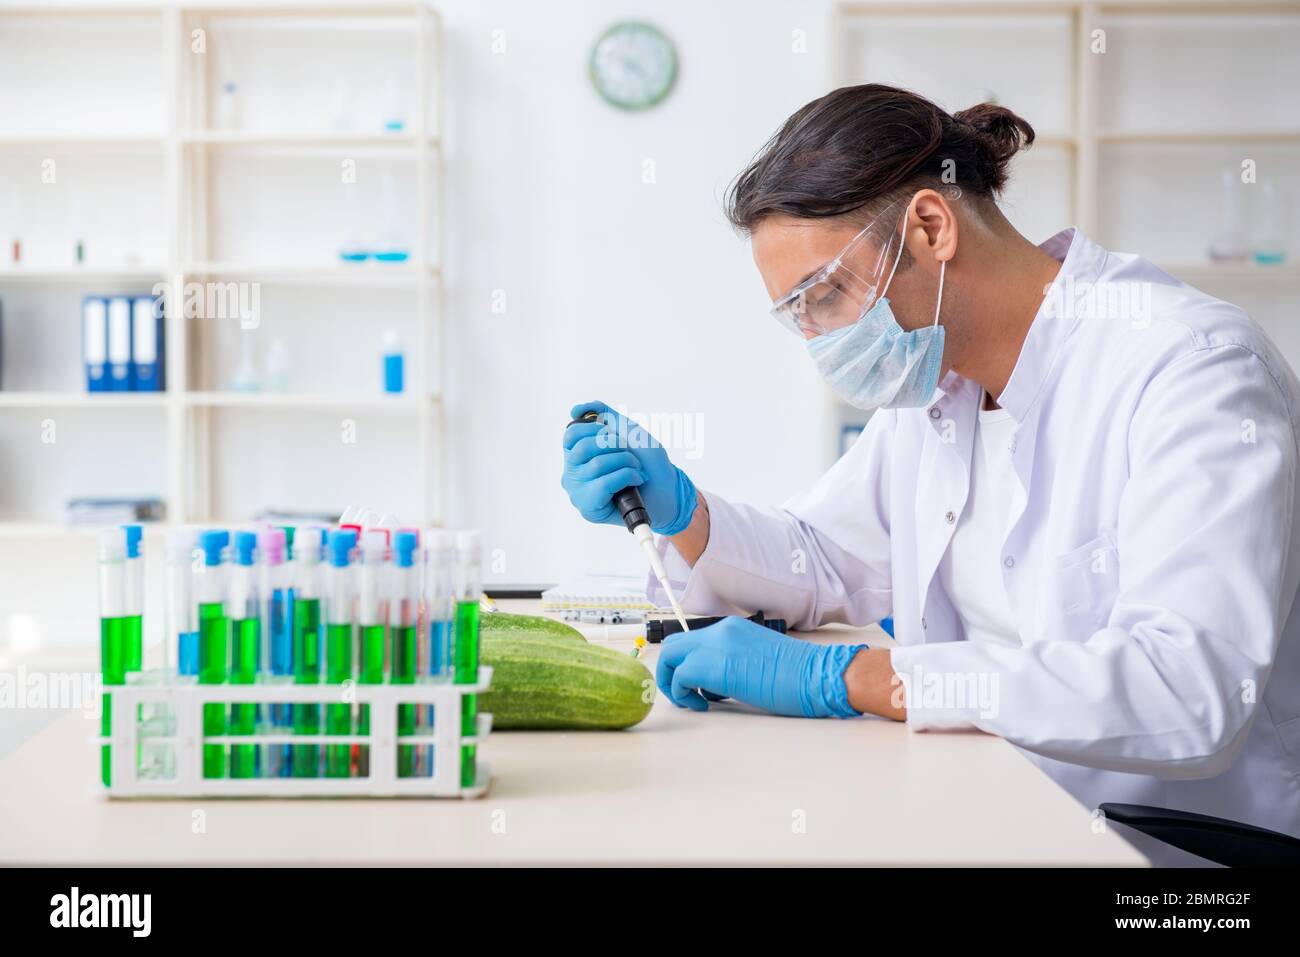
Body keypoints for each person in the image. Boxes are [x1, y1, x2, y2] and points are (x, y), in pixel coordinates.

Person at [561, 84, 1300, 865]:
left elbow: (1189, 687)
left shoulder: (1191, 369)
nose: (817, 340)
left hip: (1171, 855)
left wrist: (859, 678)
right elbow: (823, 553)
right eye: (796, 316)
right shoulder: (937, 386)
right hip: (989, 809)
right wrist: (682, 514)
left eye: (822, 296)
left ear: (929, 226)